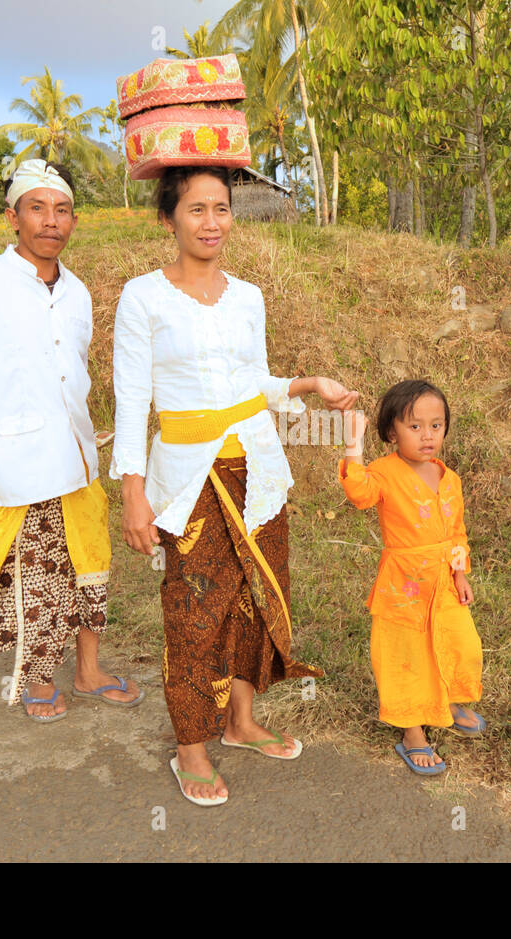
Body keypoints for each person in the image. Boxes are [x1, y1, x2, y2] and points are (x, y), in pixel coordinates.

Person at [111, 164, 358, 805]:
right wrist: (132, 491)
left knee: (255, 597)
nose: (212, 222)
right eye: (196, 209)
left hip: (258, 471)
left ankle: (242, 721)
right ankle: (190, 748)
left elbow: (257, 386)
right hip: (188, 479)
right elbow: (132, 400)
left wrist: (307, 387)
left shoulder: (248, 297)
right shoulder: (143, 297)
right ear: (168, 218)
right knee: (193, 612)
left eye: (221, 208)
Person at [0, 158, 142, 722]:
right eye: (37, 208)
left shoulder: (79, 293)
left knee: (89, 563)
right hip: (16, 465)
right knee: (36, 573)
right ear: (12, 218)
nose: (51, 221)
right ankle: (39, 678)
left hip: (78, 455)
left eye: (62, 209)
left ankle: (89, 670)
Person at [339, 380, 485, 774]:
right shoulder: (384, 472)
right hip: (403, 586)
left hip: (445, 583)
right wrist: (353, 443)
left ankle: (448, 701)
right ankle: (413, 732)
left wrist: (461, 573)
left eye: (436, 426)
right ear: (391, 432)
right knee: (406, 656)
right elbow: (359, 493)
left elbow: (456, 532)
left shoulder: (448, 478)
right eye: (415, 426)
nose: (427, 435)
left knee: (460, 643)